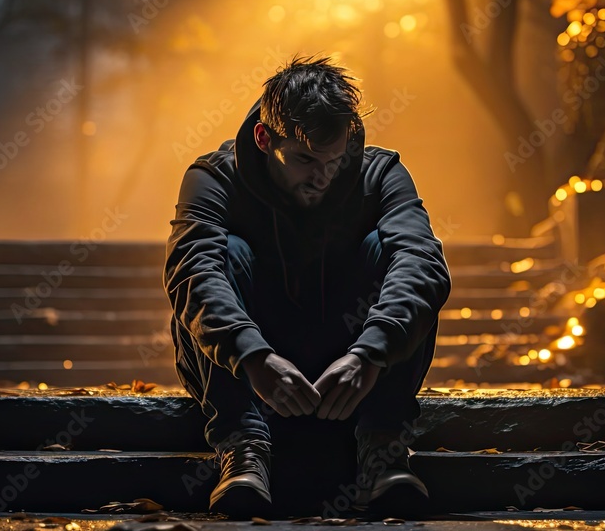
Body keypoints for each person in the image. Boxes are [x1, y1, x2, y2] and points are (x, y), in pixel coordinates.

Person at [163, 55, 451, 518]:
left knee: (399, 258)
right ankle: (243, 447)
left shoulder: (380, 173)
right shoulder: (213, 177)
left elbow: (422, 262)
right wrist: (251, 355)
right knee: (222, 256)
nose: (322, 177)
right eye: (304, 160)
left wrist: (370, 354)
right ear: (264, 138)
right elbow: (191, 269)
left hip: (350, 368)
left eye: (334, 160)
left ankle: (383, 448)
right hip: (250, 373)